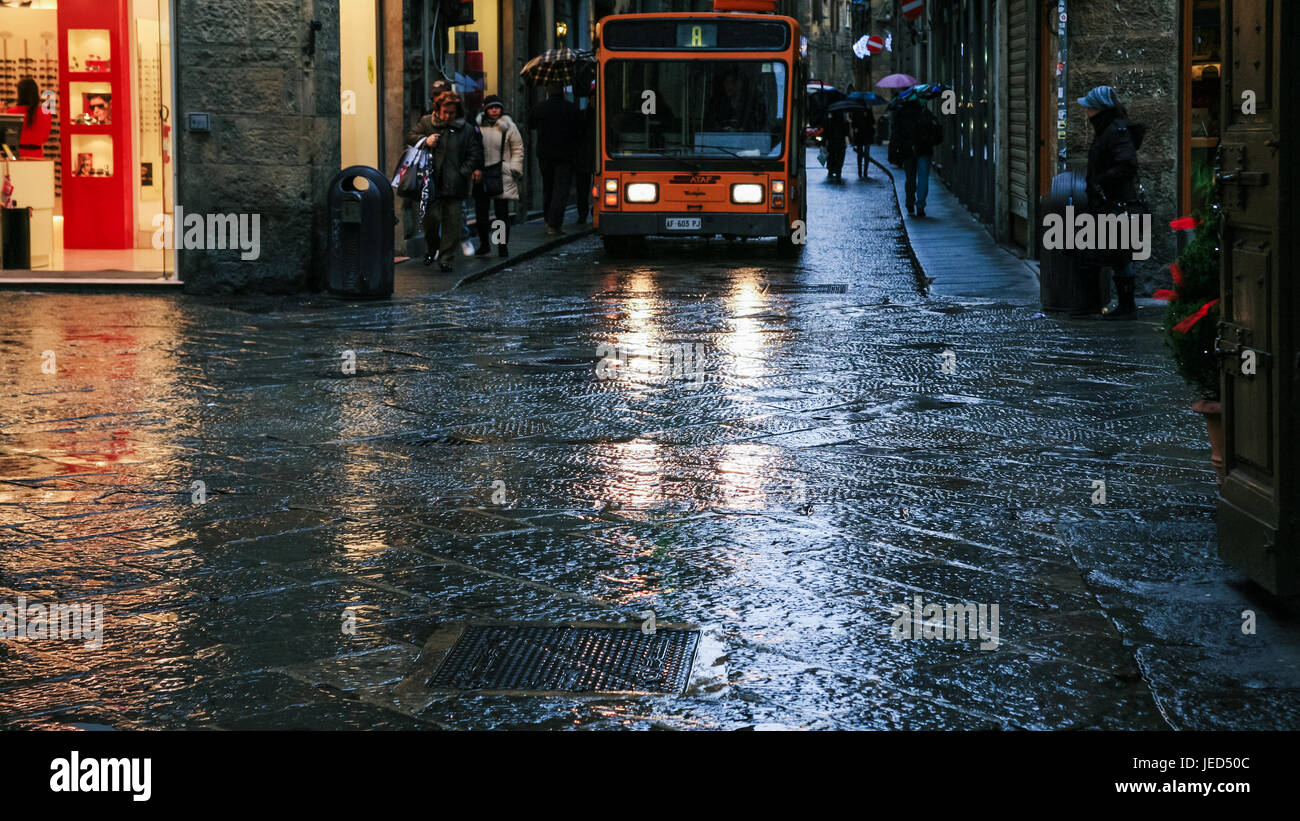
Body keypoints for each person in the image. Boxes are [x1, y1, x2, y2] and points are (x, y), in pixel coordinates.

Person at [1080, 85, 1145, 320]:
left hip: (1117, 204)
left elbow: (1127, 164)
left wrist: (1101, 181)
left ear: (1099, 109)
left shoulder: (1115, 131)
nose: (1086, 113)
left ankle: (1127, 307)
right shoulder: (1109, 129)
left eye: (1089, 108)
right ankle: (1122, 306)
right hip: (1109, 203)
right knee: (1117, 254)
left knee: (1121, 255)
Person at [407, 90, 484, 272]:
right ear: (438, 109)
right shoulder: (427, 123)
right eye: (445, 112)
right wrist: (425, 140)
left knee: (453, 224)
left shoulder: (465, 129)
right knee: (430, 220)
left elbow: (475, 153)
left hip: (455, 184)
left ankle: (446, 258)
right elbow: (410, 137)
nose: (448, 116)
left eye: (451, 112)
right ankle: (431, 247)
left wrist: (462, 171)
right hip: (430, 182)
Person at [473, 94, 524, 257]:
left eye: (497, 107)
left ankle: (501, 246)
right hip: (481, 173)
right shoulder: (477, 126)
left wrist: (513, 169)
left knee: (501, 214)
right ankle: (484, 244)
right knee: (481, 212)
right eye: (491, 107)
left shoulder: (509, 126)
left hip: (502, 173)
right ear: (485, 109)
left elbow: (518, 148)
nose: (494, 110)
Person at [528, 83, 581, 235]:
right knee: (561, 189)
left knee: (548, 187)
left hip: (545, 153)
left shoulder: (540, 108)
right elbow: (579, 130)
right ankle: (554, 222)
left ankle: (548, 220)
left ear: (548, 93)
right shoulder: (571, 109)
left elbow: (530, 124)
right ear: (563, 92)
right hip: (565, 154)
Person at [888, 98, 941, 217]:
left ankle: (909, 202)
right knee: (923, 179)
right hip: (924, 150)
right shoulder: (925, 113)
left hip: (908, 151)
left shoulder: (901, 114)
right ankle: (920, 205)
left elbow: (896, 134)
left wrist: (893, 151)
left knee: (910, 178)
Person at [706, 68, 765, 132]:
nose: (727, 85)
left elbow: (759, 127)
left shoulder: (753, 105)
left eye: (732, 82)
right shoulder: (716, 104)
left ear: (741, 84)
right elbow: (710, 125)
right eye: (726, 82)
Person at [7, 79, 52, 160]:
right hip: (37, 156)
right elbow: (45, 138)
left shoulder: (11, 112)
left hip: (16, 157)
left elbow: (7, 139)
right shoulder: (45, 113)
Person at [573, 87, 597, 225]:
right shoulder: (582, 115)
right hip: (583, 157)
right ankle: (582, 214)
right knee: (582, 188)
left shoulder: (601, 115)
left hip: (594, 157)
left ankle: (593, 211)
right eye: (593, 98)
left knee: (594, 187)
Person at [823, 109, 849, 182]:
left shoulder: (830, 121)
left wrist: (824, 142)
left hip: (832, 142)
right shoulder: (842, 122)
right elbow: (846, 132)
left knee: (832, 157)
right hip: (840, 143)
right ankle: (837, 171)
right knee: (839, 157)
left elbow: (826, 132)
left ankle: (831, 170)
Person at [849, 107, 875, 179]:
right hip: (861, 136)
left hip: (865, 135)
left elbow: (872, 121)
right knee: (862, 154)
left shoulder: (867, 111)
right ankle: (861, 171)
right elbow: (854, 123)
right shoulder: (857, 111)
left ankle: (864, 171)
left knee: (864, 154)